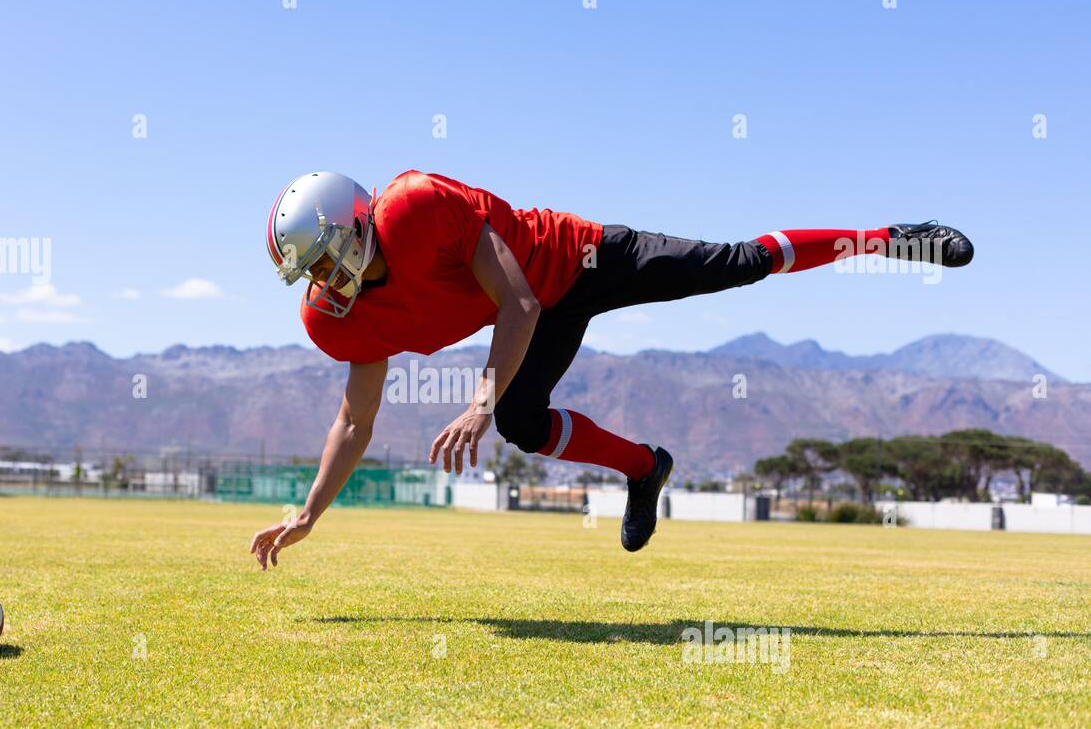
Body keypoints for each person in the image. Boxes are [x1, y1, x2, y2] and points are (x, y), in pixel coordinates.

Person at [250, 170, 972, 568]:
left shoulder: (414, 208)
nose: (319, 281)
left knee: (738, 263)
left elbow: (521, 302)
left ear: (352, 226)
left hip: (579, 260)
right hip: (533, 311)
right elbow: (355, 417)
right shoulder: (336, 315)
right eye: (304, 272)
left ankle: (885, 238)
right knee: (522, 422)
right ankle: (644, 468)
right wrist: (309, 513)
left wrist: (475, 401)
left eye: (319, 259)